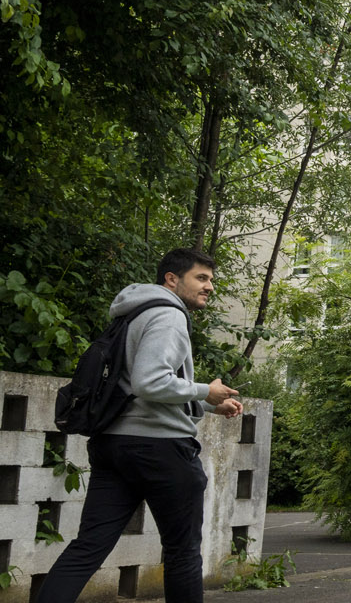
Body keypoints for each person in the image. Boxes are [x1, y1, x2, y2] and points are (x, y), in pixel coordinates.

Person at [37, 249, 244, 603]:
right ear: (171, 279)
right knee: (182, 552)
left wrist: (208, 405)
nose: (210, 287)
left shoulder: (131, 314)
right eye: (202, 278)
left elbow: (132, 388)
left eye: (211, 279)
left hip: (114, 445)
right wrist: (204, 390)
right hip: (161, 450)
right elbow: (150, 383)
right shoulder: (168, 315)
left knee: (89, 546)